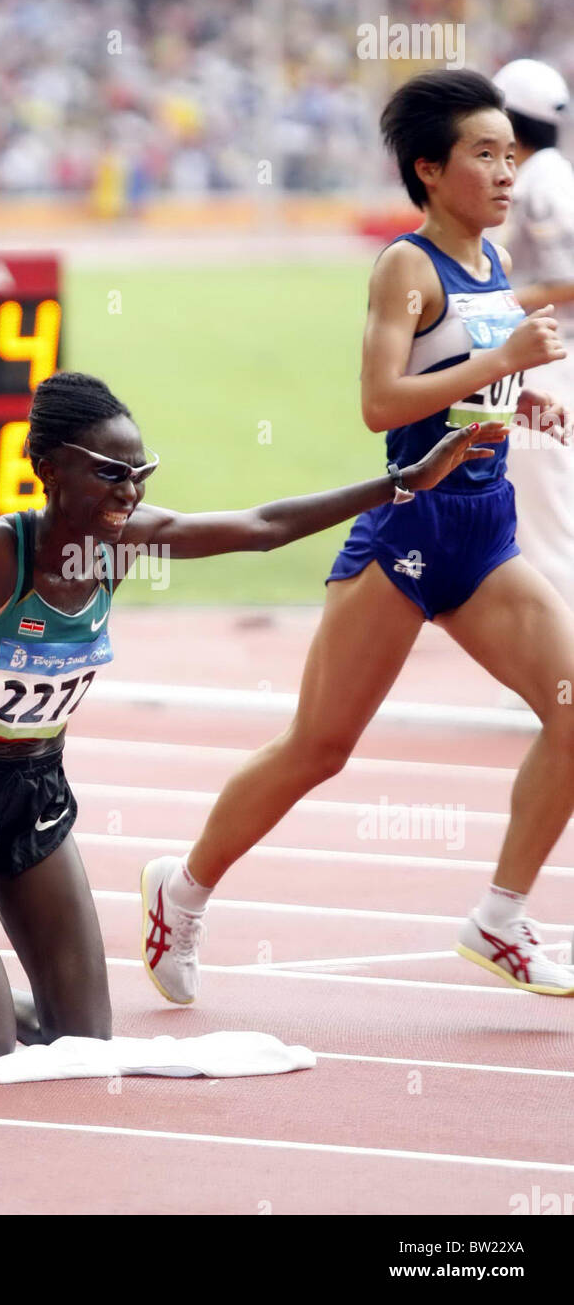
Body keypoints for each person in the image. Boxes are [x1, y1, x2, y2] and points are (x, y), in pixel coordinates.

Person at [0, 371, 505, 1058]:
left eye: (140, 474)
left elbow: (261, 525)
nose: (129, 491)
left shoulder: (125, 543)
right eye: (110, 472)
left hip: (36, 792)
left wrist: (405, 483)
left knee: (84, 1044)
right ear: (50, 468)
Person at [141, 68, 574, 1006]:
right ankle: (183, 889)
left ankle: (499, 918)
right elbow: (381, 404)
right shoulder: (407, 266)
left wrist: (519, 406)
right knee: (321, 747)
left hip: (485, 532)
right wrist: (504, 361)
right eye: (485, 156)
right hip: (407, 534)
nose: (508, 174)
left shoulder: (493, 263)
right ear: (429, 169)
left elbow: (461, 385)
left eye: (511, 154)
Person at [492, 59, 574, 609]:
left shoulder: (543, 184)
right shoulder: (551, 175)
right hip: (548, 355)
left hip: (551, 359)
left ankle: (551, 679)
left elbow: (568, 278)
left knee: (543, 526)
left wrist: (482, 302)